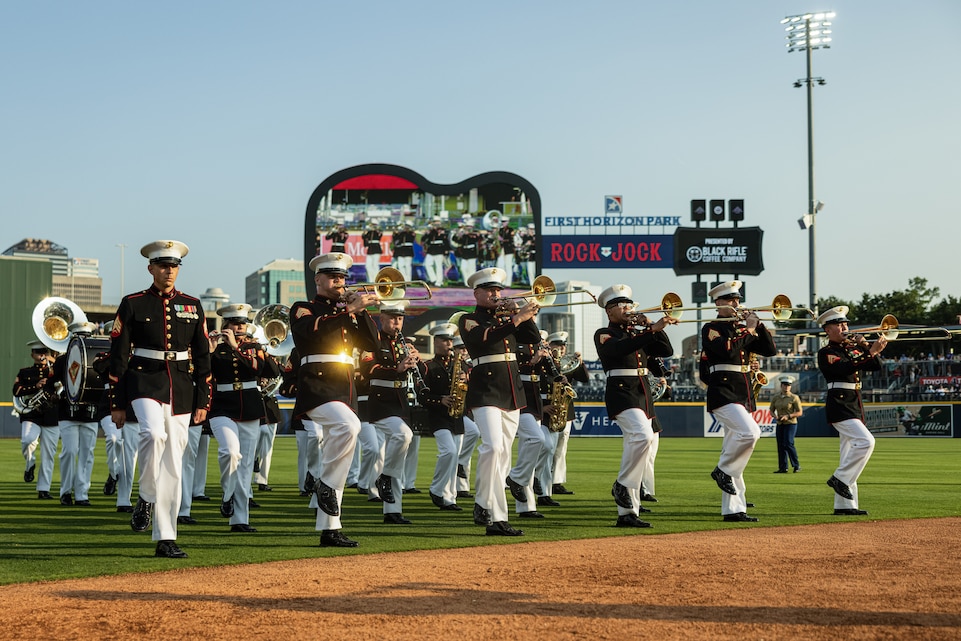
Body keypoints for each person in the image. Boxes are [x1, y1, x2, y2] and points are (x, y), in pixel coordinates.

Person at [108, 240, 211, 558]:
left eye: (174, 266)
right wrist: (117, 402)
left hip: (181, 387)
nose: (169, 271)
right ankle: (148, 494)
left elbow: (204, 355)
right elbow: (118, 354)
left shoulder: (193, 305)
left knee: (174, 463)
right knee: (152, 434)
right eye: (163, 265)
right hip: (143, 380)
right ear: (151, 268)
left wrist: (203, 400)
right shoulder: (133, 303)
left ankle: (166, 537)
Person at [290, 251, 379, 547]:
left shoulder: (348, 313)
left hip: (344, 388)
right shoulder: (304, 308)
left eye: (341, 277)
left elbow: (372, 344)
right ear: (318, 279)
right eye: (332, 277)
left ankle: (330, 528)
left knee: (336, 449)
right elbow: (311, 331)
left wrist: (362, 312)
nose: (338, 282)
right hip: (316, 386)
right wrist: (348, 310)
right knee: (349, 427)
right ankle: (325, 484)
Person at [457, 267, 541, 536]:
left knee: (503, 455)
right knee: (492, 448)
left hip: (511, 389)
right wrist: (517, 318)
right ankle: (493, 513)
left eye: (498, 290)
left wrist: (523, 316)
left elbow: (534, 338)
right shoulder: (469, 319)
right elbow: (484, 338)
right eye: (490, 290)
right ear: (477, 293)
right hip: (486, 388)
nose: (496, 294)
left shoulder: (508, 318)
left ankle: (485, 505)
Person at [594, 284, 677, 528]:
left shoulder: (638, 334)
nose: (628, 308)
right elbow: (619, 350)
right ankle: (622, 484)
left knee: (641, 443)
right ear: (609, 311)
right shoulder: (604, 333)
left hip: (642, 394)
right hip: (622, 392)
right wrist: (650, 330)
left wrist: (653, 326)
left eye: (629, 304)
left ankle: (628, 512)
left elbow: (666, 350)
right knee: (642, 437)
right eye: (622, 305)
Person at [700, 280, 776, 523]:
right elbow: (729, 351)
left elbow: (770, 350)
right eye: (731, 300)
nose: (736, 304)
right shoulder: (712, 328)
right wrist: (750, 329)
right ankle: (723, 470)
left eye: (738, 300)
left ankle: (734, 509)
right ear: (719, 303)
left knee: (735, 446)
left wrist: (760, 325)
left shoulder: (741, 328)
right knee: (750, 434)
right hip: (723, 393)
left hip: (743, 395)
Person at [208, 303, 281, 533]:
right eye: (234, 324)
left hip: (249, 406)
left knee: (246, 463)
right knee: (230, 452)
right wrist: (208, 352)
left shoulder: (254, 347)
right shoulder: (214, 349)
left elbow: (262, 370)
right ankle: (228, 494)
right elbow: (200, 374)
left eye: (242, 323)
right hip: (222, 406)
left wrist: (237, 348)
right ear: (225, 325)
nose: (239, 327)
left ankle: (240, 519)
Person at [817, 305, 886, 516]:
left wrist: (866, 347)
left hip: (854, 403)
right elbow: (845, 368)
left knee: (848, 453)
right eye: (840, 325)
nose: (845, 328)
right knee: (867, 442)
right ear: (828, 330)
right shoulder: (827, 352)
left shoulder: (851, 348)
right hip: (840, 404)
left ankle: (845, 505)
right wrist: (870, 352)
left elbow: (876, 366)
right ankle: (840, 479)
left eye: (846, 324)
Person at [368, 300, 422, 524]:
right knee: (404, 436)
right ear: (382, 319)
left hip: (400, 401)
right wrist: (397, 368)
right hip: (381, 400)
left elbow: (413, 371)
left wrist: (417, 361)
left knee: (400, 455)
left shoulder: (403, 343)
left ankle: (392, 511)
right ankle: (385, 477)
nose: (396, 323)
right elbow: (367, 368)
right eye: (392, 318)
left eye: (399, 318)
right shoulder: (372, 340)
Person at [53, 321, 102, 506]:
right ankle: (65, 491)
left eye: (86, 337)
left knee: (87, 454)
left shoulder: (98, 358)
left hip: (90, 411)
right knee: (69, 451)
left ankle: (82, 493)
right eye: (80, 336)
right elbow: (53, 382)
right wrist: (54, 391)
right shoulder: (62, 360)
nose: (83, 340)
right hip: (68, 411)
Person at [418, 323, 466, 511]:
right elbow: (422, 395)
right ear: (436, 341)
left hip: (457, 416)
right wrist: (440, 400)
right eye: (444, 340)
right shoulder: (427, 366)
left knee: (455, 458)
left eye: (450, 340)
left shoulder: (459, 365)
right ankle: (437, 489)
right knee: (449, 452)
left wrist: (465, 380)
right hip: (438, 416)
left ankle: (450, 497)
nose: (448, 344)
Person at [13, 340, 60, 497]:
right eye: (38, 352)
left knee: (48, 454)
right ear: (32, 354)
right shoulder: (25, 372)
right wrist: (36, 386)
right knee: (27, 440)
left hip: (51, 414)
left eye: (44, 352)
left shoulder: (55, 371)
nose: (42, 355)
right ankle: (30, 463)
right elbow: (17, 390)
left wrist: (54, 362)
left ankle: (43, 489)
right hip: (31, 414)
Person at [452, 334, 479, 500]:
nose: (463, 351)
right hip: (454, 410)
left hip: (467, 409)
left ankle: (462, 487)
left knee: (465, 446)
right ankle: (455, 483)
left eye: (464, 348)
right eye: (460, 348)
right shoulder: (451, 365)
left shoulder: (470, 365)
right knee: (469, 436)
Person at [770, 375, 803, 473]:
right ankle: (783, 467)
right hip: (780, 423)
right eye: (784, 385)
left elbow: (799, 412)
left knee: (788, 443)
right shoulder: (776, 397)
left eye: (788, 385)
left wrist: (788, 416)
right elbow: (771, 410)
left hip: (790, 423)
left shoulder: (794, 397)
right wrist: (775, 416)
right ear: (781, 385)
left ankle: (796, 465)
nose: (786, 387)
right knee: (780, 445)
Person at [421, 216, 451, 288]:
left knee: (439, 266)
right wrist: (427, 233)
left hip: (439, 250)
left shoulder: (443, 231)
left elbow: (446, 241)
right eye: (434, 222)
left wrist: (446, 250)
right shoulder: (430, 231)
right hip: (431, 250)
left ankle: (439, 282)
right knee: (427, 264)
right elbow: (423, 239)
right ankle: (433, 279)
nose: (436, 224)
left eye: (437, 222)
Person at [452, 218, 481, 285]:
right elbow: (456, 240)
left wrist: (468, 233)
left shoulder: (474, 233)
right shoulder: (463, 234)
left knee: (471, 269)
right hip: (464, 253)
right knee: (463, 268)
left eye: (469, 226)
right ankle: (467, 282)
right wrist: (458, 234)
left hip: (472, 253)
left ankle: (472, 283)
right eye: (467, 226)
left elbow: (476, 238)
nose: (468, 228)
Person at [496, 217, 518, 285]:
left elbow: (511, 240)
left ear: (507, 222)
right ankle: (503, 281)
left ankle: (508, 283)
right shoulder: (501, 230)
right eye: (502, 221)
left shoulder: (511, 230)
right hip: (502, 249)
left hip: (508, 250)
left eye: (504, 221)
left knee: (508, 266)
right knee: (500, 265)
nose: (503, 223)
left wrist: (502, 239)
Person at [516, 223, 537, 287]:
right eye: (530, 229)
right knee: (530, 271)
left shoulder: (536, 236)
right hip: (529, 255)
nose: (532, 231)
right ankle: (531, 284)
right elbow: (523, 247)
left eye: (533, 229)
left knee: (536, 271)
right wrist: (526, 244)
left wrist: (533, 240)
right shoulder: (525, 237)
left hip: (536, 256)